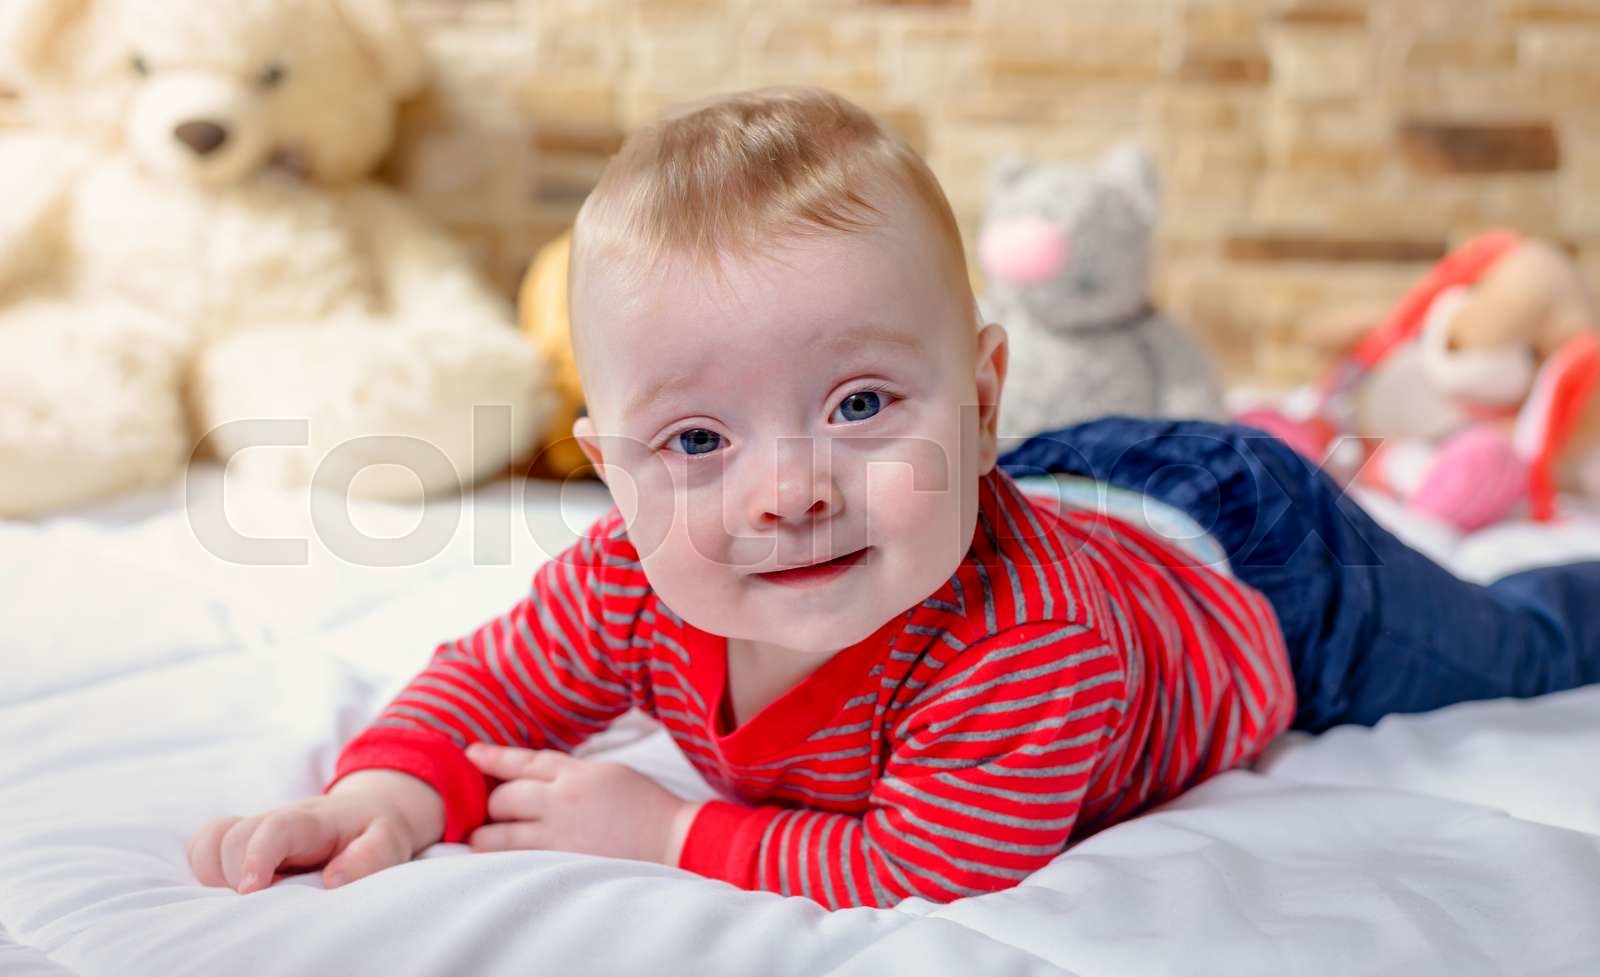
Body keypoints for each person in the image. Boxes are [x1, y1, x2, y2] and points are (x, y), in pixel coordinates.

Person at [186, 86, 1600, 910]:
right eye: (696, 438)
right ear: (607, 471)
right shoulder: (627, 577)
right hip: (1068, 491)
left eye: (861, 404)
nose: (789, 489)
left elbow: (936, 859)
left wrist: (665, 830)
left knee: (1513, 646)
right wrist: (387, 790)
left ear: (981, 400)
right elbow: (488, 683)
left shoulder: (1023, 642)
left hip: (1259, 571)